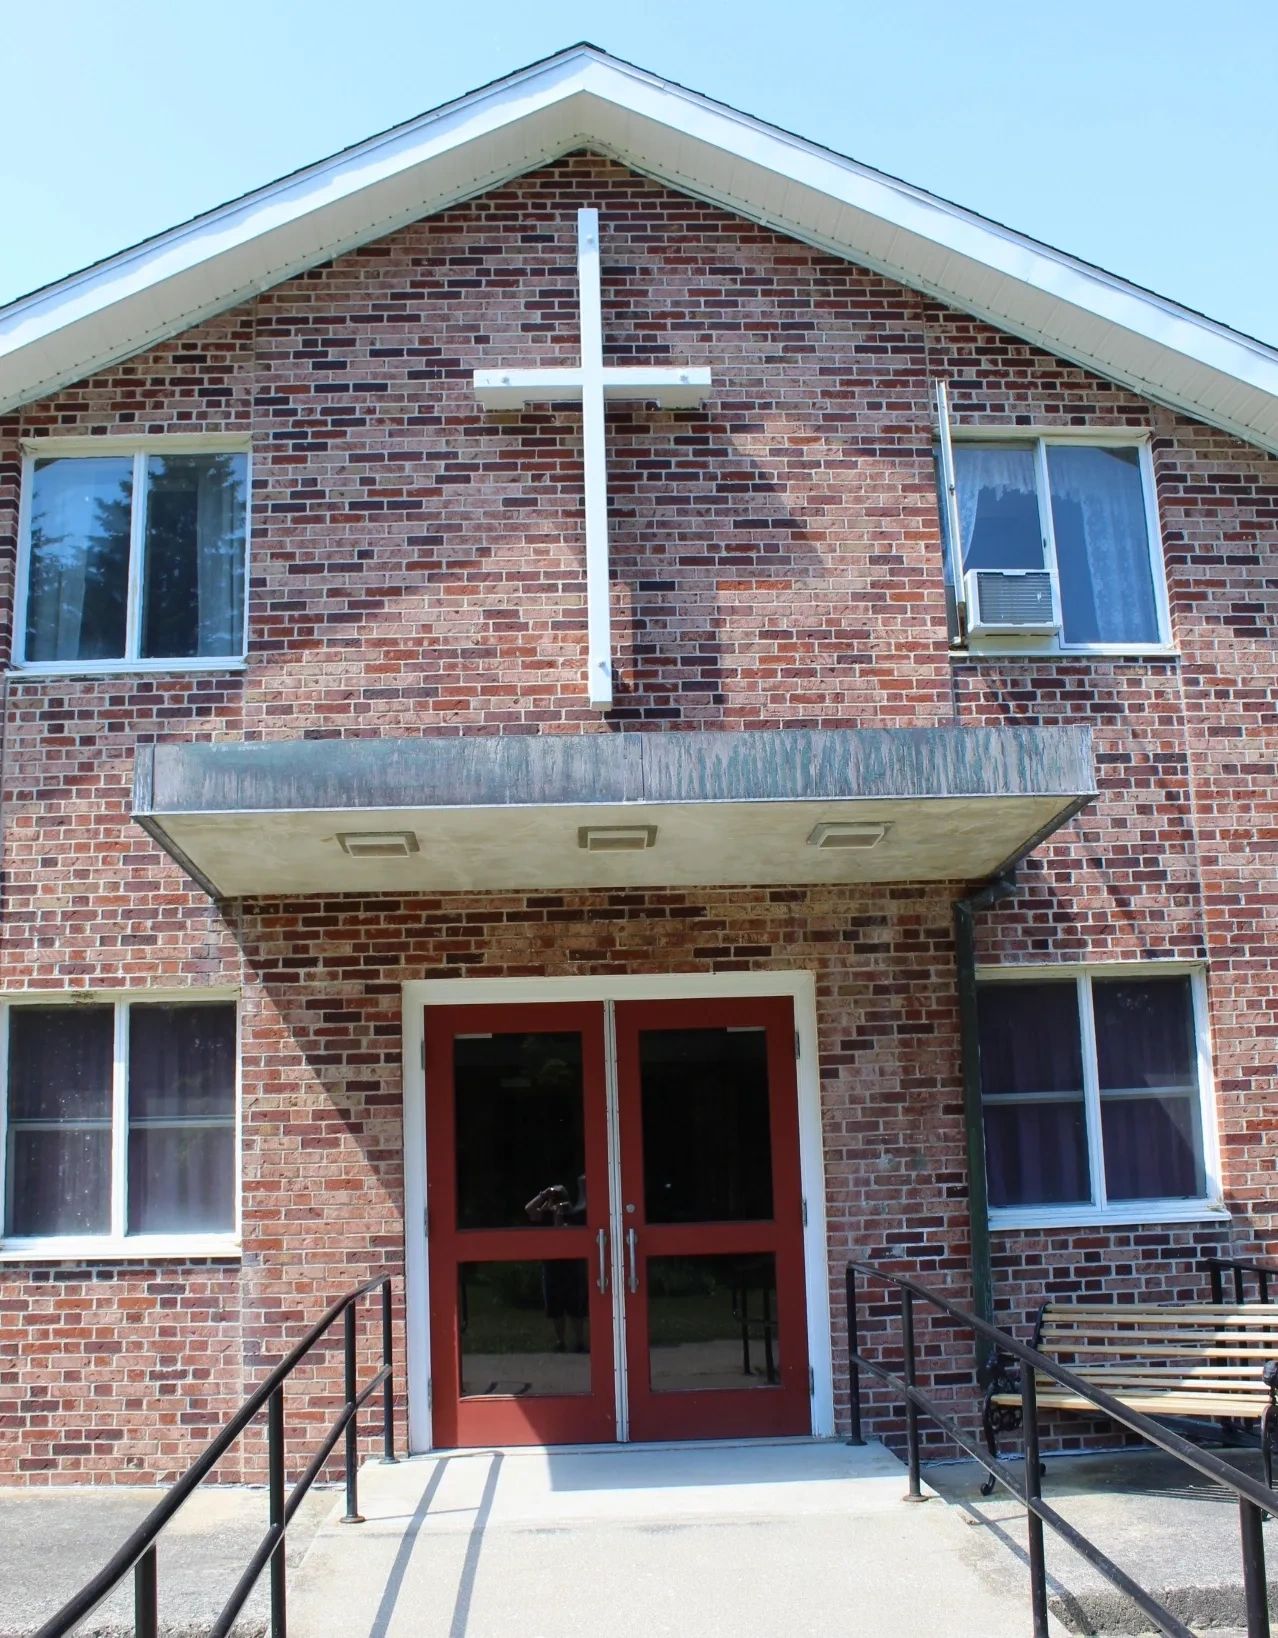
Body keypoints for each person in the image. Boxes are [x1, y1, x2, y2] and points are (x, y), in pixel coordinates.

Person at [526, 1176, 589, 1352]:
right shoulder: (545, 1217)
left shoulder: (575, 1214)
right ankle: (560, 1341)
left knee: (576, 1308)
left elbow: (585, 1206)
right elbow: (529, 1210)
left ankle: (579, 1342)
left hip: (573, 1267)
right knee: (556, 1309)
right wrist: (544, 1194)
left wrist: (581, 1188)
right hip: (552, 1267)